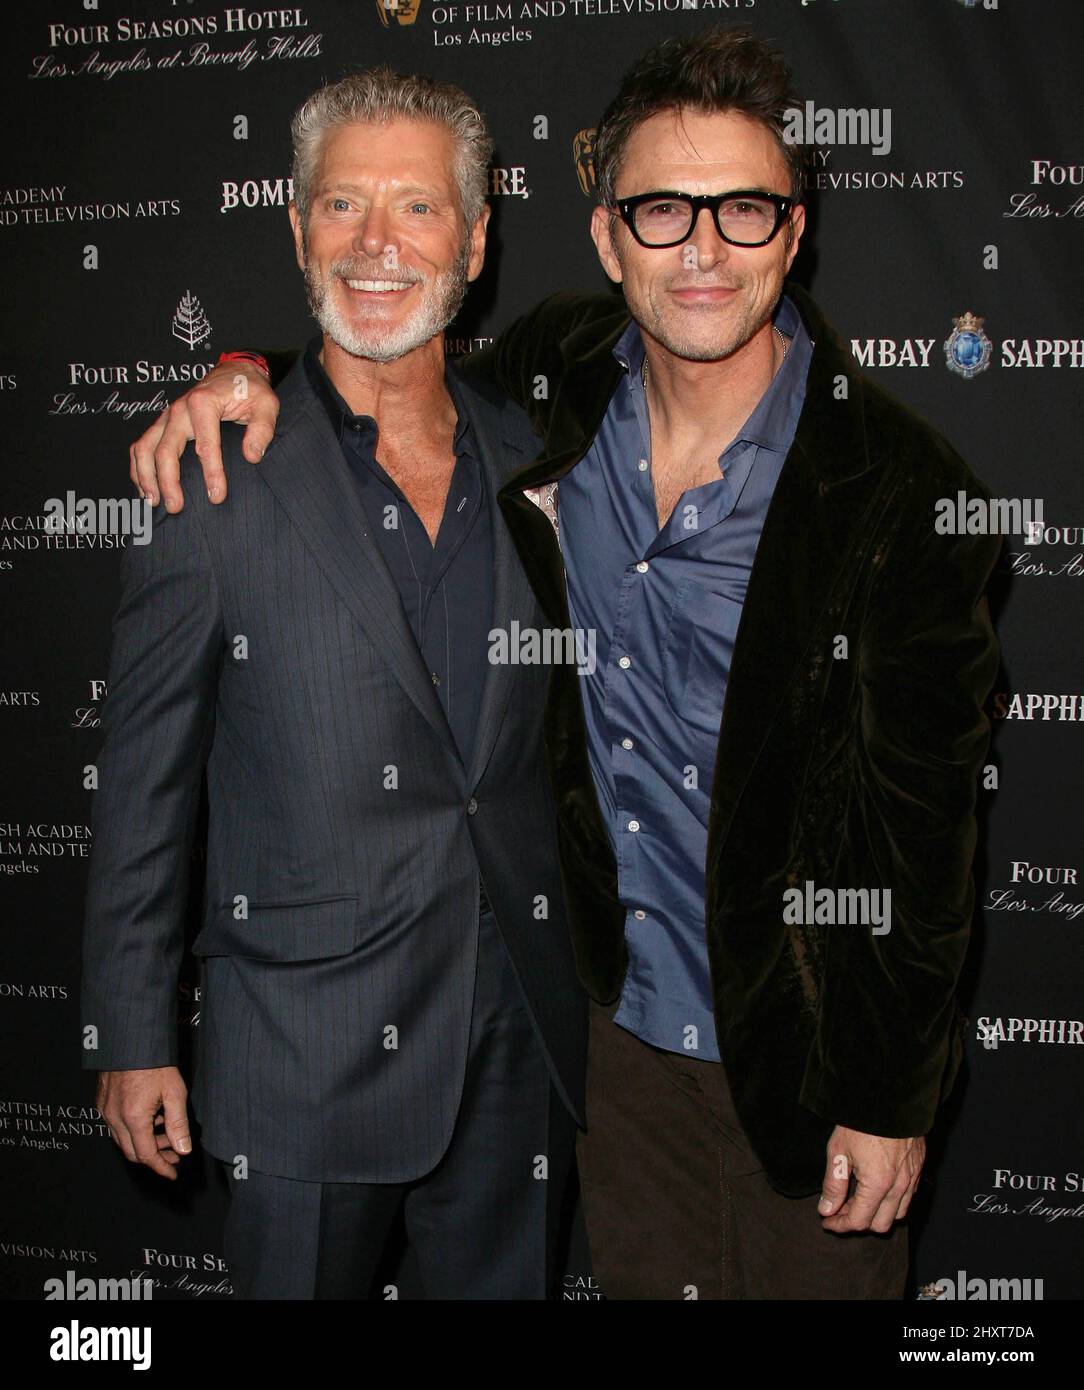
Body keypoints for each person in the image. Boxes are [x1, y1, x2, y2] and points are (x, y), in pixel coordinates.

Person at [129, 29, 1001, 1299]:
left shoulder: (903, 497)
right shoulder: (558, 388)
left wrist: (889, 1092)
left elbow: (926, 844)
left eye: (742, 210)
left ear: (793, 232)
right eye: (661, 210)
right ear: (605, 239)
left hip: (805, 1064)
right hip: (609, 1054)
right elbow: (388, 342)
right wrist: (240, 371)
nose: (701, 249)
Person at [82, 66, 587, 1301]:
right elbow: (142, 788)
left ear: (473, 238)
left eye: (416, 209)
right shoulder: (213, 475)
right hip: (301, 1058)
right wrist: (133, 1034)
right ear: (296, 225)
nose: (375, 244)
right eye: (341, 205)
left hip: (519, 1047)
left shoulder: (547, 457)